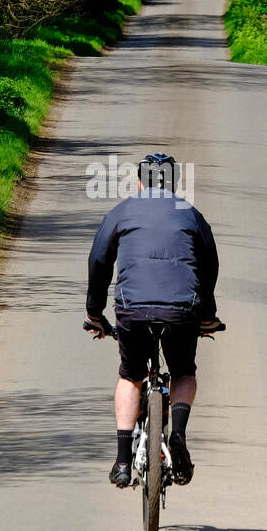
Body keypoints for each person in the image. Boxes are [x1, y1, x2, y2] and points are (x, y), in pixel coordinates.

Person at [84, 152, 222, 489]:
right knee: (183, 371)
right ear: (173, 183)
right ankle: (176, 434)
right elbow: (209, 264)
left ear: (140, 182)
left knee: (130, 376)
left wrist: (94, 313)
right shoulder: (189, 213)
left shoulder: (122, 211)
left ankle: (121, 461)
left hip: (133, 309)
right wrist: (207, 315)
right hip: (181, 311)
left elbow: (99, 259)